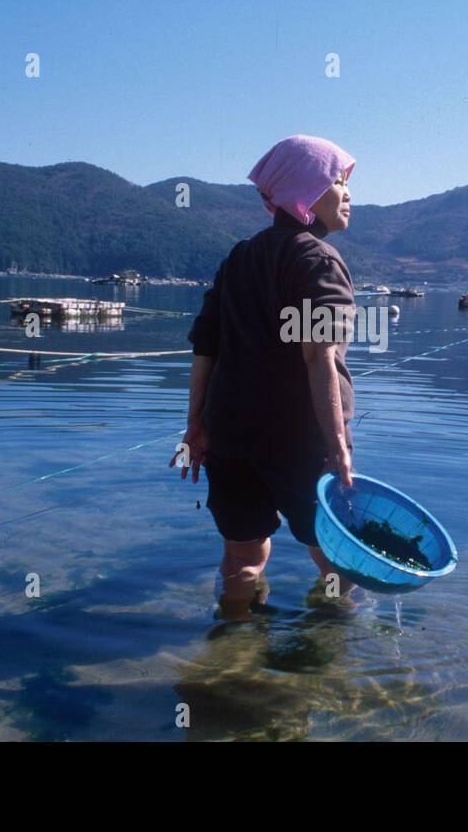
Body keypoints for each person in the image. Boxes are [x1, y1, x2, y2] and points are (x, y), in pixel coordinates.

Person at [170, 134, 358, 619]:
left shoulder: (239, 257)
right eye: (337, 181)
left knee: (243, 557)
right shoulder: (316, 260)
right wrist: (336, 445)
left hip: (229, 435)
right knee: (337, 559)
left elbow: (205, 346)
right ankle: (335, 658)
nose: (349, 193)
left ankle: (231, 646)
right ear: (307, 190)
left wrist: (195, 426)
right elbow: (318, 357)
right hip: (298, 440)